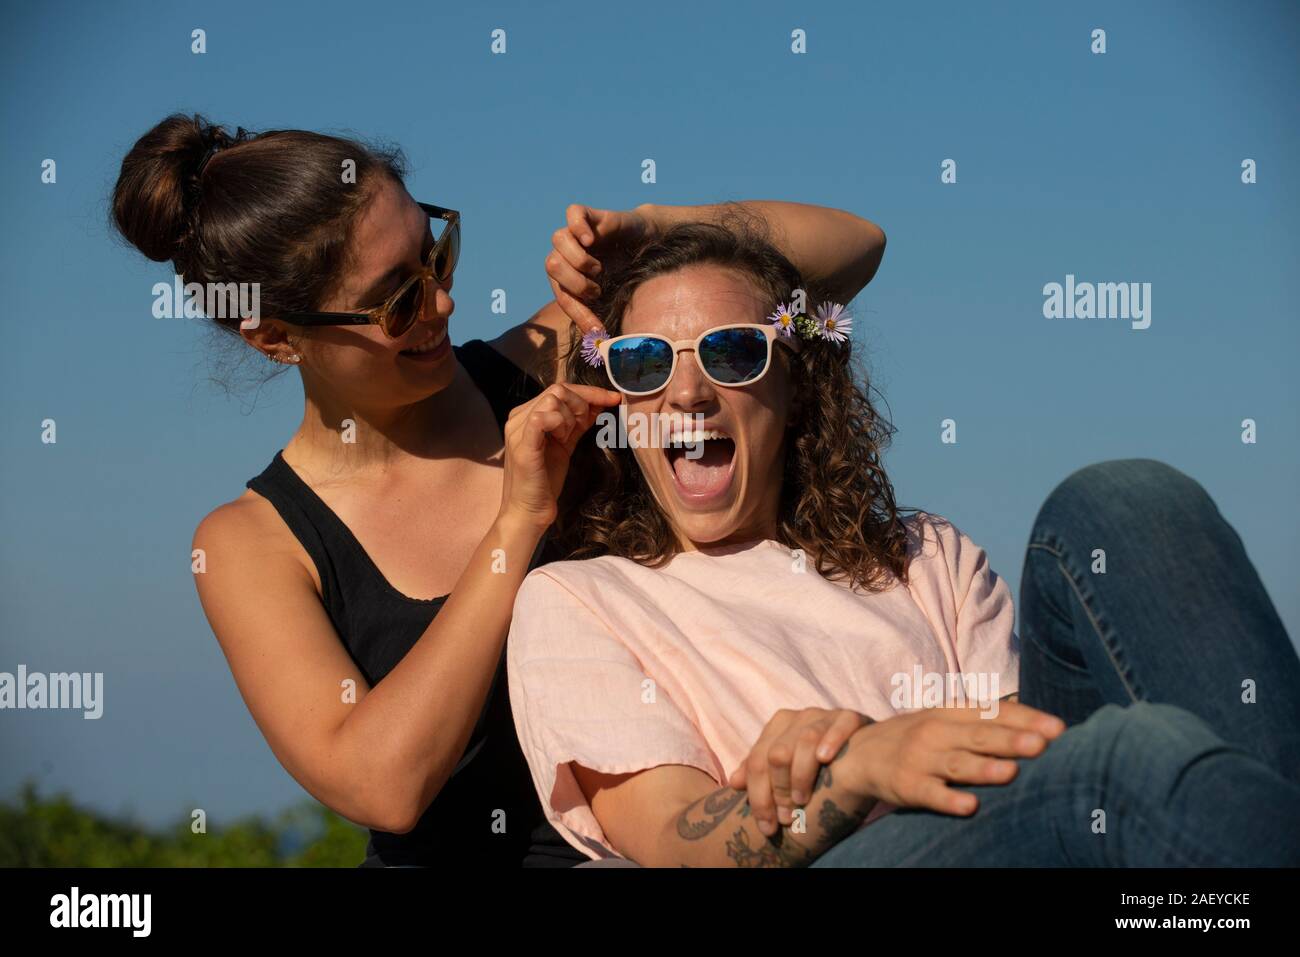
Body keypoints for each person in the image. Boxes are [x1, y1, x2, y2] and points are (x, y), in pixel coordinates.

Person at [110, 114, 889, 866]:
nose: (443, 304)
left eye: (436, 253)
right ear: (276, 336)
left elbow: (851, 252)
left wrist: (660, 233)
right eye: (397, 302)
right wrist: (517, 523)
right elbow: (384, 785)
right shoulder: (252, 543)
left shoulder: (542, 362)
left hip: (682, 837)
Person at [506, 221, 1300, 867]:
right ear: (621, 401)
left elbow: (1020, 756)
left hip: (994, 832)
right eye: (644, 363)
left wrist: (648, 222)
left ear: (795, 384)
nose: (685, 391)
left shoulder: (924, 555)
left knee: (1128, 498)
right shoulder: (582, 599)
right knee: (1125, 757)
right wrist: (856, 767)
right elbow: (677, 839)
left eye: (734, 351)